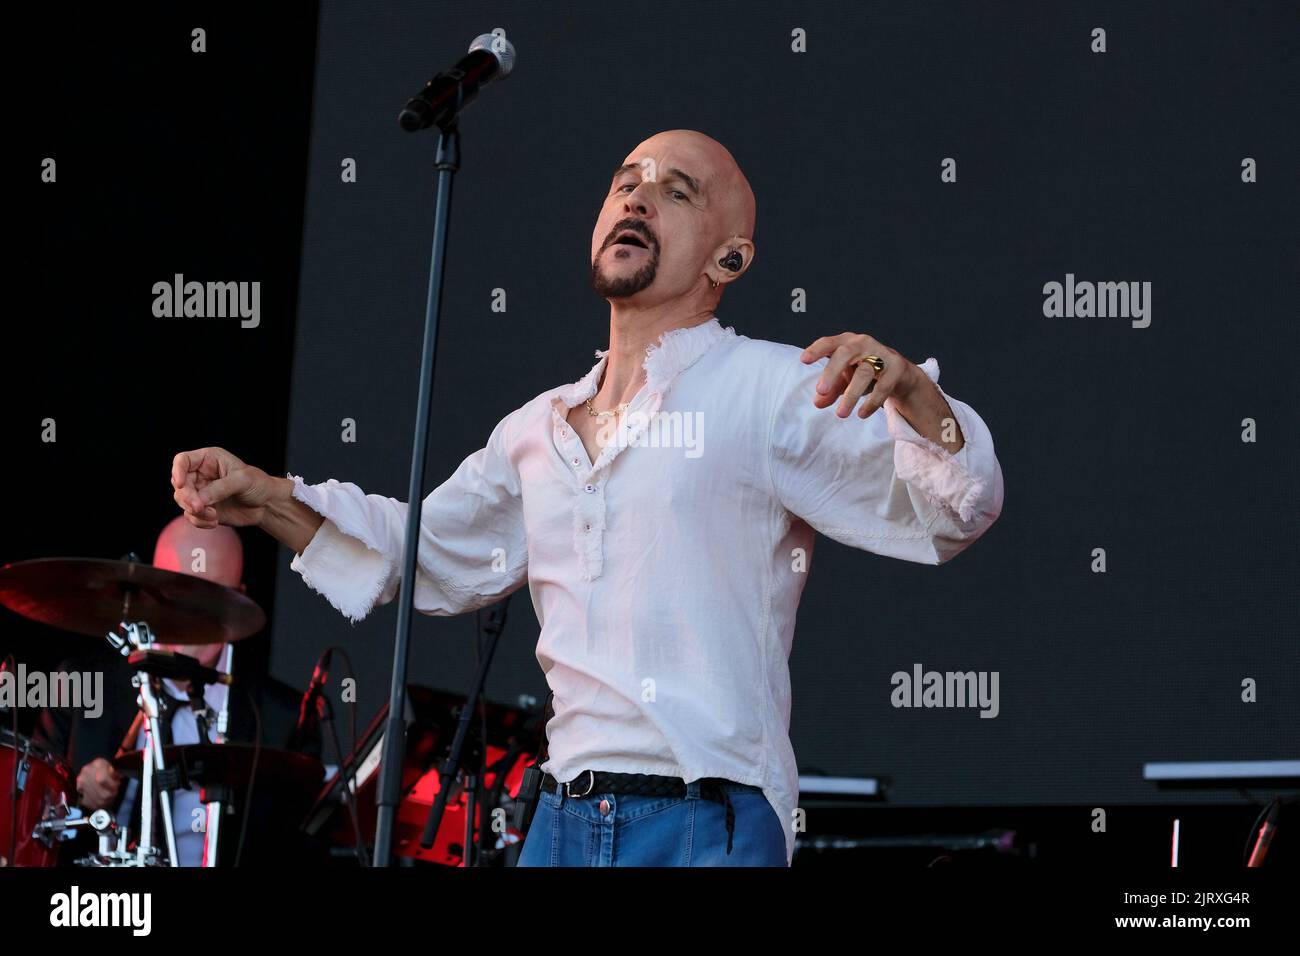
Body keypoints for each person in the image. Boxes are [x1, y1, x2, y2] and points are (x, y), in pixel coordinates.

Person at [170, 129, 1005, 867]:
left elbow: (953, 509)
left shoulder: (770, 389)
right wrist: (268, 498)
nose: (638, 195)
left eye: (676, 191)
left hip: (706, 818)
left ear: (729, 259)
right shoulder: (538, 428)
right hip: (563, 819)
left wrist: (913, 397)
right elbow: (423, 556)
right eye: (624, 181)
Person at [34, 517, 320, 866]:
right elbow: (32, 822)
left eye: (210, 596)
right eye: (175, 593)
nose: (189, 615)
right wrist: (75, 797)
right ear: (147, 591)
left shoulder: (284, 720)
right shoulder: (79, 684)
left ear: (240, 599)